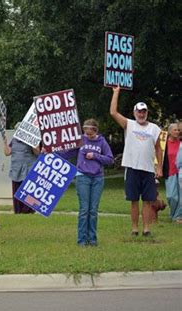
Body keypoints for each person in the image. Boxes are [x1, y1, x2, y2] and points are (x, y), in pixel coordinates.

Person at [110, 86, 163, 237]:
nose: (141, 114)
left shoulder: (154, 128)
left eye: (144, 111)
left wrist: (159, 166)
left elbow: (159, 148)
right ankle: (134, 228)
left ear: (147, 113)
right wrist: (116, 92)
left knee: (147, 200)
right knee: (133, 200)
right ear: (134, 113)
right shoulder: (129, 124)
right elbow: (113, 112)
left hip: (148, 169)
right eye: (139, 111)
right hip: (132, 168)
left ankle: (146, 228)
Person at [59, 119, 114, 246]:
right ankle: (82, 240)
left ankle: (93, 239)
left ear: (96, 131)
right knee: (84, 209)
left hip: (98, 178)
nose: (87, 136)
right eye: (85, 133)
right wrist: (50, 151)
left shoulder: (102, 142)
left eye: (90, 134)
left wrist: (95, 156)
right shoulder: (80, 140)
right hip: (82, 177)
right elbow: (66, 153)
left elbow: (110, 159)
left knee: (93, 210)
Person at [3, 126, 40, 214]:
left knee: (28, 191)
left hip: (28, 169)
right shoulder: (14, 140)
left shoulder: (32, 138)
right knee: (17, 190)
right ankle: (18, 211)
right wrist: (5, 143)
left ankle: (30, 210)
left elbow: (37, 152)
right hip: (16, 169)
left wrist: (32, 143)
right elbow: (7, 152)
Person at [162, 123, 181, 223]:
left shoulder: (181, 143)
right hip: (170, 172)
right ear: (169, 132)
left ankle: (177, 217)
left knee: (181, 196)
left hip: (180, 172)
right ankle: (173, 214)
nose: (177, 132)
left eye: (178, 130)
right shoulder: (164, 144)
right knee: (172, 196)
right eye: (175, 130)